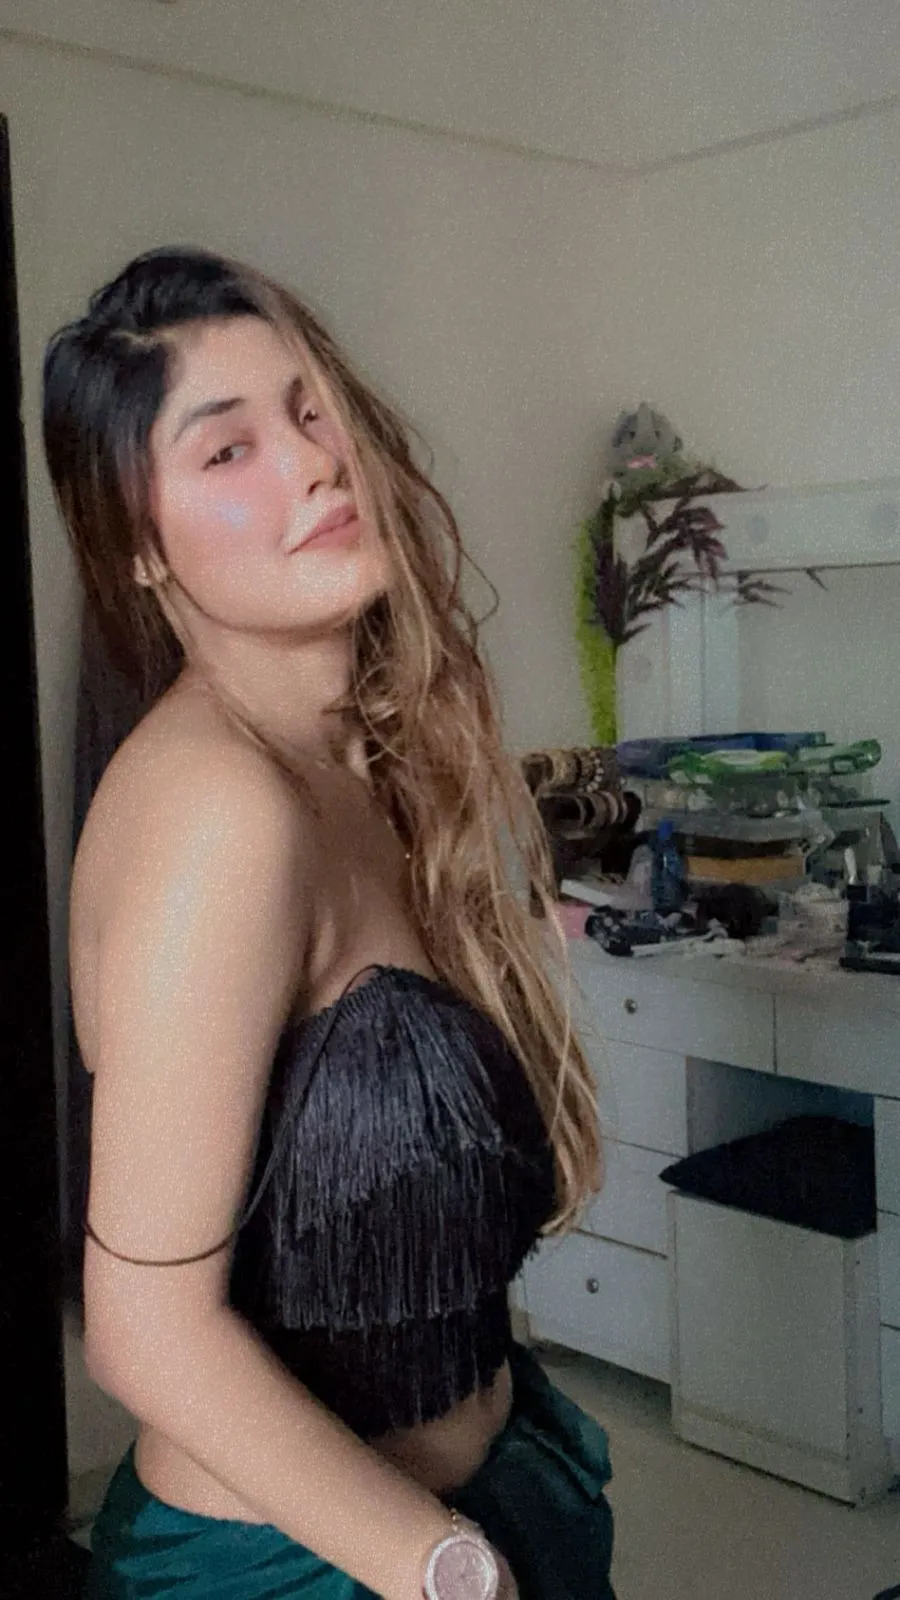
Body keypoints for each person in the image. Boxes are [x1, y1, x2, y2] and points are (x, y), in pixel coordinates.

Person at [43, 247, 616, 1600]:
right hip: (304, 1566)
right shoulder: (221, 813)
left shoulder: (362, 761)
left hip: (485, 1489)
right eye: (227, 449)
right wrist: (446, 1569)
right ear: (137, 543)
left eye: (312, 411)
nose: (315, 462)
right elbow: (143, 1331)